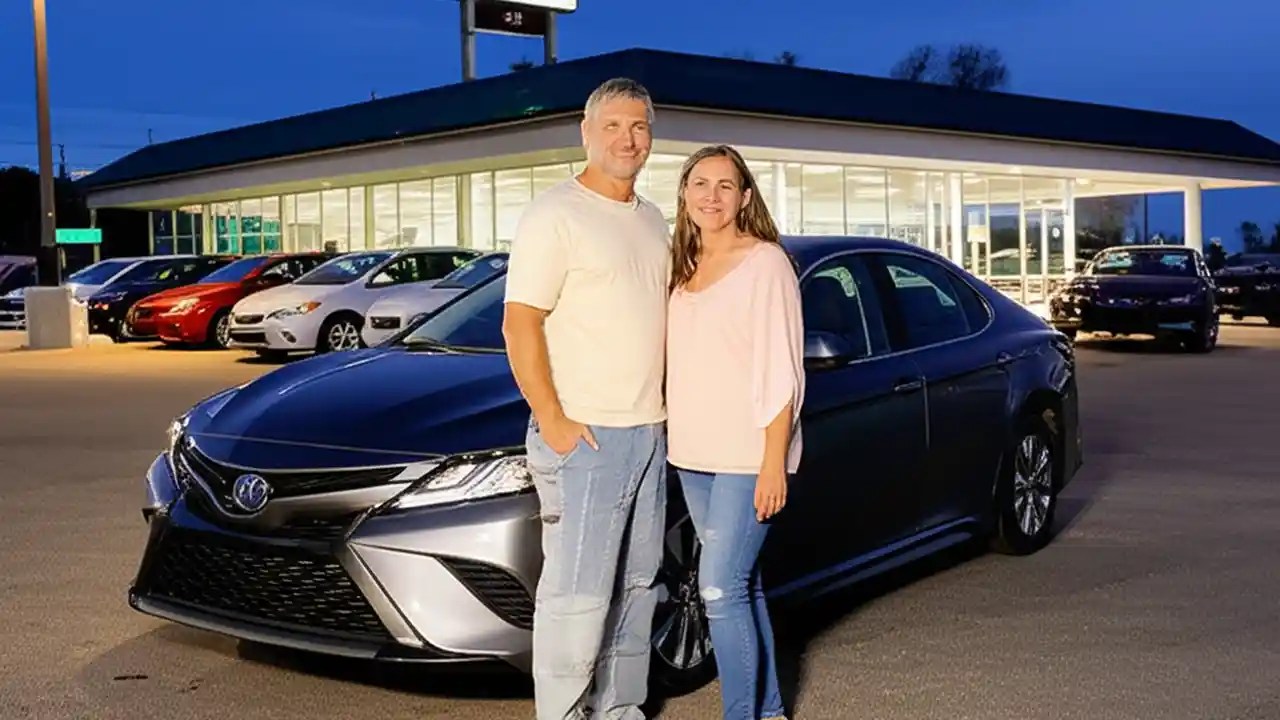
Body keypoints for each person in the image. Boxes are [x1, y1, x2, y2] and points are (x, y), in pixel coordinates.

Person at [501, 78, 672, 720]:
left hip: (649, 433)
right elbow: (520, 323)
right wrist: (555, 421)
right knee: (576, 598)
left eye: (640, 127)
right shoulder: (555, 214)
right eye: (614, 126)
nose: (628, 140)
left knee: (637, 586)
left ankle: (620, 710)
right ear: (586, 132)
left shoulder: (652, 218)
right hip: (587, 439)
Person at [665, 144, 805, 720]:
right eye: (701, 183)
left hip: (749, 452)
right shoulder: (681, 265)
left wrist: (774, 459)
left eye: (726, 186)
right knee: (742, 588)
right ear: (685, 194)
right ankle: (769, 710)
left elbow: (784, 369)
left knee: (719, 589)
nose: (712, 196)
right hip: (694, 451)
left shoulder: (765, 262)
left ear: (745, 196)